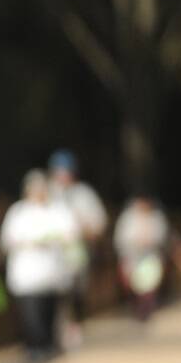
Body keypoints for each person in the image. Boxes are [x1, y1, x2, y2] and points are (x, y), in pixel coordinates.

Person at [0, 170, 80, 359]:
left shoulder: (57, 210)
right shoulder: (18, 212)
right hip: (27, 275)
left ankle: (48, 347)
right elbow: (7, 240)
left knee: (49, 313)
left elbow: (71, 234)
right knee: (31, 316)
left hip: (52, 274)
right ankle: (34, 347)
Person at [47, 149, 107, 348]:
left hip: (77, 253)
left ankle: (75, 327)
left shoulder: (84, 194)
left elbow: (98, 224)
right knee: (55, 295)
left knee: (76, 294)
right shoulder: (48, 193)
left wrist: (84, 228)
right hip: (51, 256)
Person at [113, 195, 170, 322]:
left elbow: (162, 237)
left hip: (150, 257)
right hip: (132, 257)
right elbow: (121, 239)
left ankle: (147, 311)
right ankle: (136, 310)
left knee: (149, 287)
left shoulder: (156, 218)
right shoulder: (128, 218)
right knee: (133, 287)